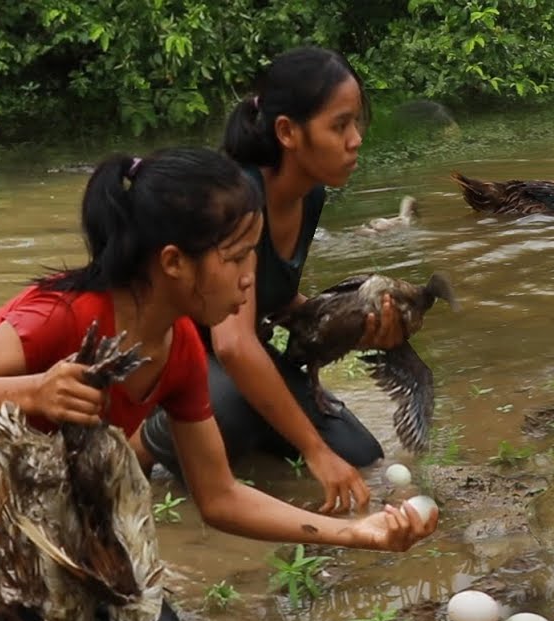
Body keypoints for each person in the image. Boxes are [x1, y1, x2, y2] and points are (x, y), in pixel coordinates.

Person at [0, 147, 437, 621]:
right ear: (174, 263)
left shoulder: (181, 348)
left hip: (33, 505)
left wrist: (357, 534)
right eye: (236, 257)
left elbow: (219, 497)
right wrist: (34, 392)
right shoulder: (64, 317)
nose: (249, 277)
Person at [135, 47, 400, 514]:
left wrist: (347, 322)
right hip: (174, 359)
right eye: (340, 126)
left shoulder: (310, 196)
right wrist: (315, 455)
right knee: (231, 413)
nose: (355, 139)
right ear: (287, 132)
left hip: (230, 364)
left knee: (361, 456)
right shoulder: (236, 199)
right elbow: (234, 344)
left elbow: (273, 297)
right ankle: (141, 439)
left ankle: (231, 433)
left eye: (356, 123)